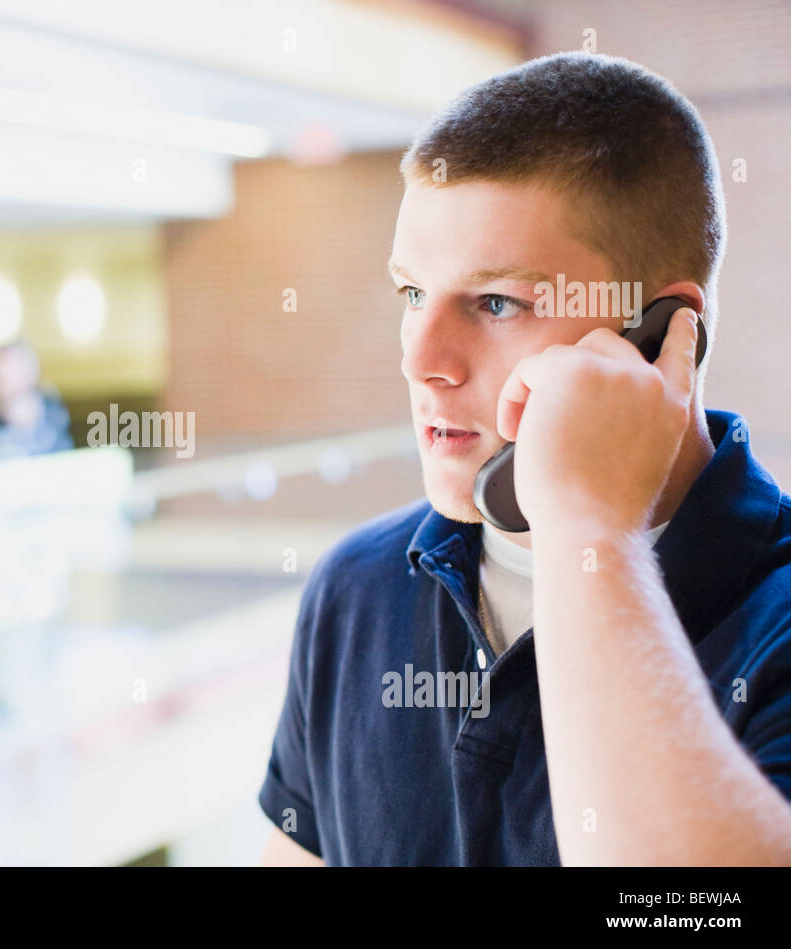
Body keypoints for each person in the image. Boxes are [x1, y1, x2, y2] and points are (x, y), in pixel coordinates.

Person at [258, 52, 791, 865]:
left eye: (497, 302)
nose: (422, 359)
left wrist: (588, 529)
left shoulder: (777, 625)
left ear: (659, 336)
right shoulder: (354, 591)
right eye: (412, 295)